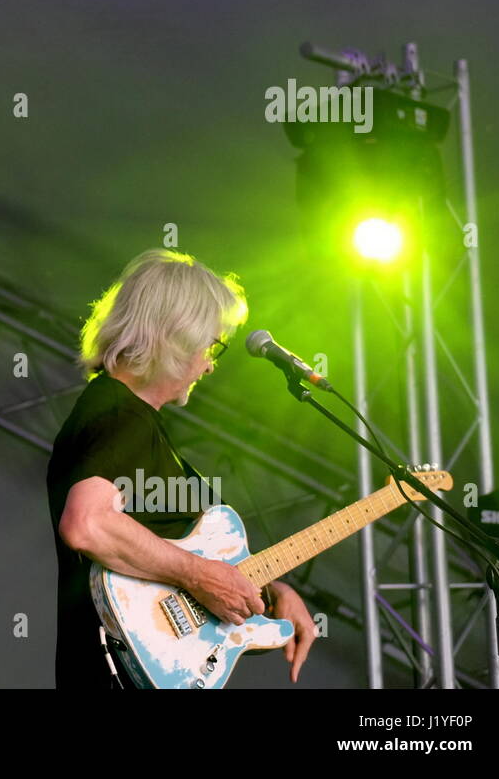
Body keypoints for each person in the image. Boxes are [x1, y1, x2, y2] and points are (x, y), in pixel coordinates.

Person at [47, 248, 315, 689]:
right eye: (212, 345)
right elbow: (87, 524)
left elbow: (176, 546)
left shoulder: (133, 422)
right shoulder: (117, 414)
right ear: (175, 337)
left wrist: (271, 591)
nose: (211, 363)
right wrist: (199, 575)